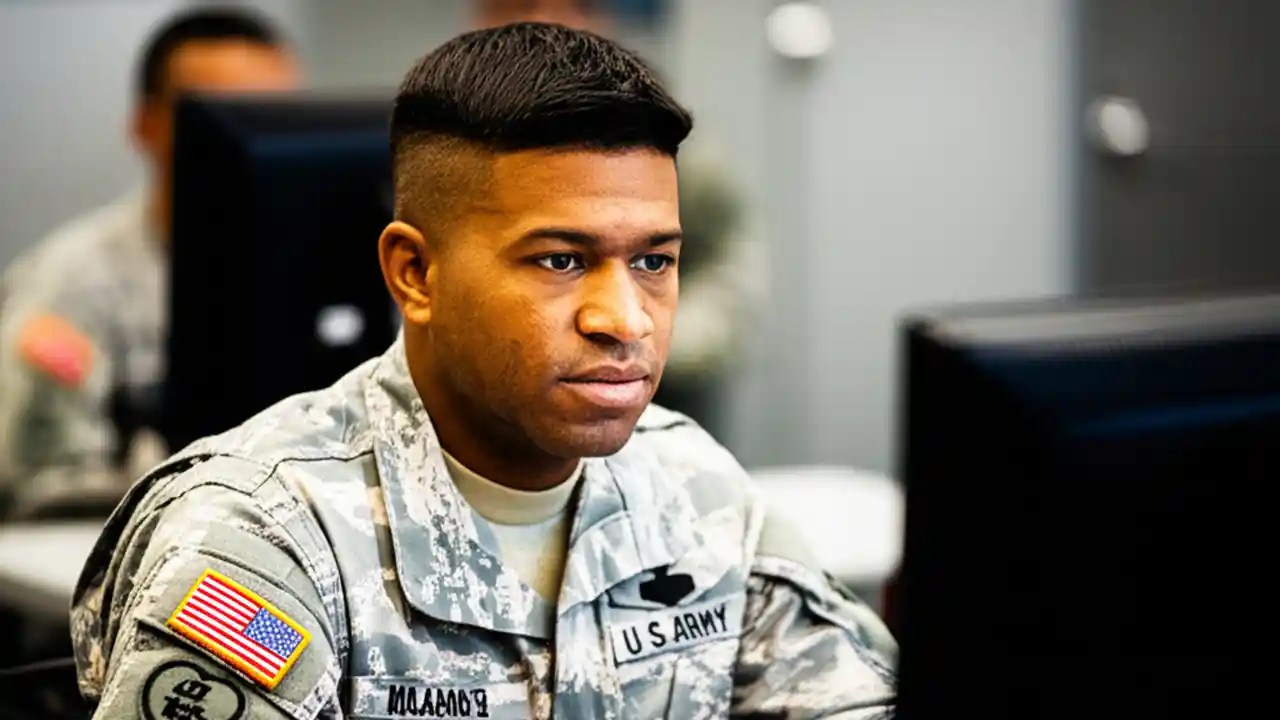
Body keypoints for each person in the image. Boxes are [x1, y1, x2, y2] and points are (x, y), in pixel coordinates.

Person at [70, 22, 897, 718]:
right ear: (415, 275)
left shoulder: (695, 490)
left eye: (653, 261)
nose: (626, 319)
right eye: (561, 261)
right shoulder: (264, 538)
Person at [0, 7, 300, 520]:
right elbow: (35, 483)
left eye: (276, 118)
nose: (253, 145)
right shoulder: (72, 281)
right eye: (227, 118)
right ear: (146, 126)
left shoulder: (326, 265)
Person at [473, 0, 767, 440]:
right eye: (521, 4)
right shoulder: (445, 142)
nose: (547, 21)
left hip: (654, 410)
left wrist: (637, 340)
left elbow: (729, 276)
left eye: (574, 6)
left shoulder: (670, 144)